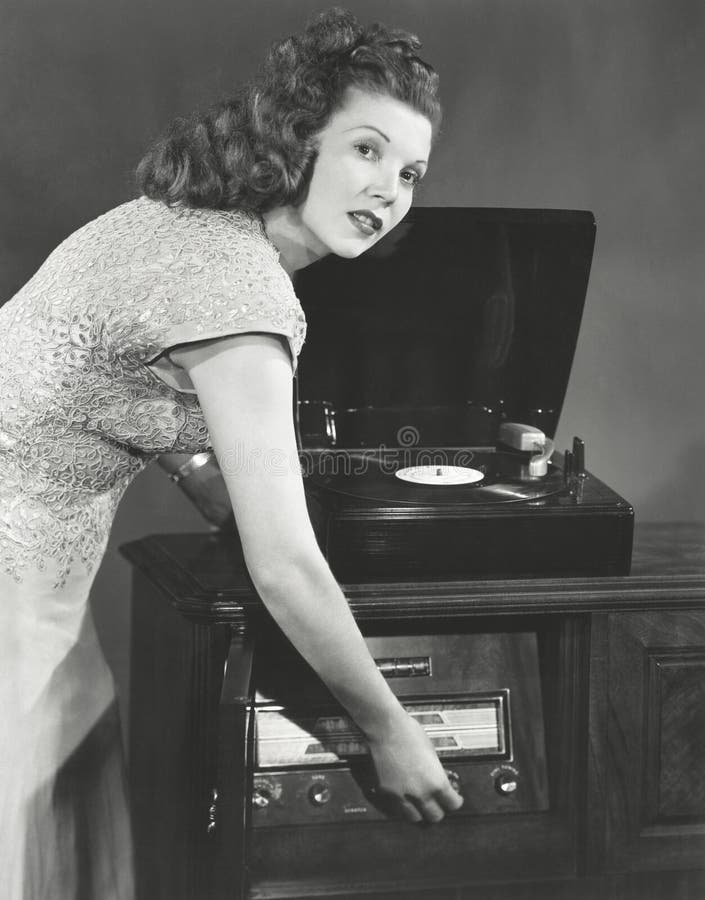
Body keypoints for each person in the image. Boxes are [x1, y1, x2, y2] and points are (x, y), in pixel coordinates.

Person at [0, 8, 462, 899]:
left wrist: (213, 480)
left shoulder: (175, 222)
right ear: (298, 141)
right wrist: (390, 730)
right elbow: (285, 567)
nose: (388, 189)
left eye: (409, 172)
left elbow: (109, 378)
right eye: (365, 150)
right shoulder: (244, 292)